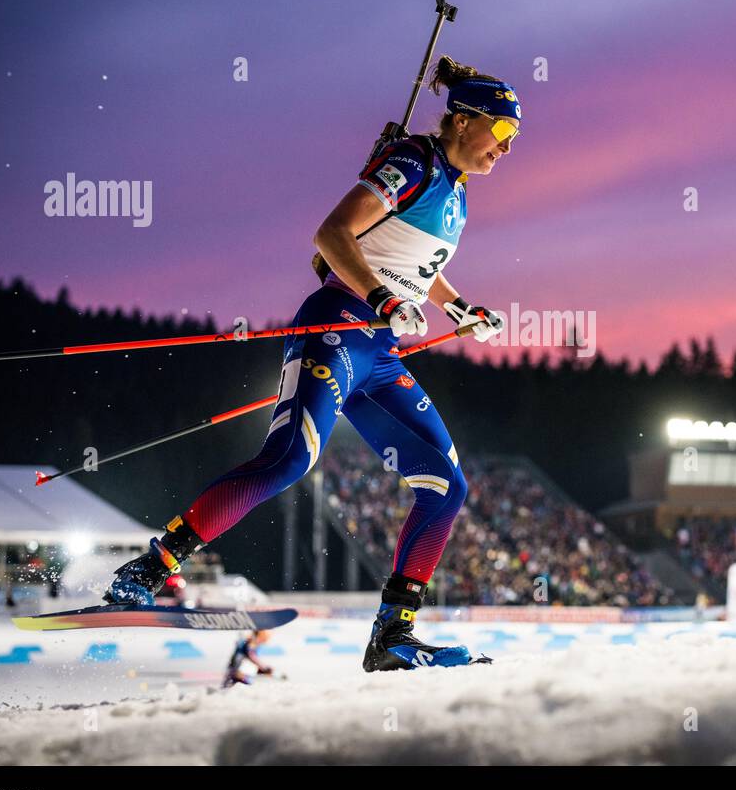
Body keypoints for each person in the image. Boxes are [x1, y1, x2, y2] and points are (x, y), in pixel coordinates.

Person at [101, 56, 518, 671]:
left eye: (515, 139)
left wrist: (459, 306)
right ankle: (155, 565)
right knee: (289, 460)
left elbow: (413, 258)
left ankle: (393, 635)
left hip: (378, 351)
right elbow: (332, 234)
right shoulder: (412, 162)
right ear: (463, 120)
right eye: (502, 132)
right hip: (338, 325)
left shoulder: (454, 194)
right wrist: (381, 297)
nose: (506, 149)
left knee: (446, 484)